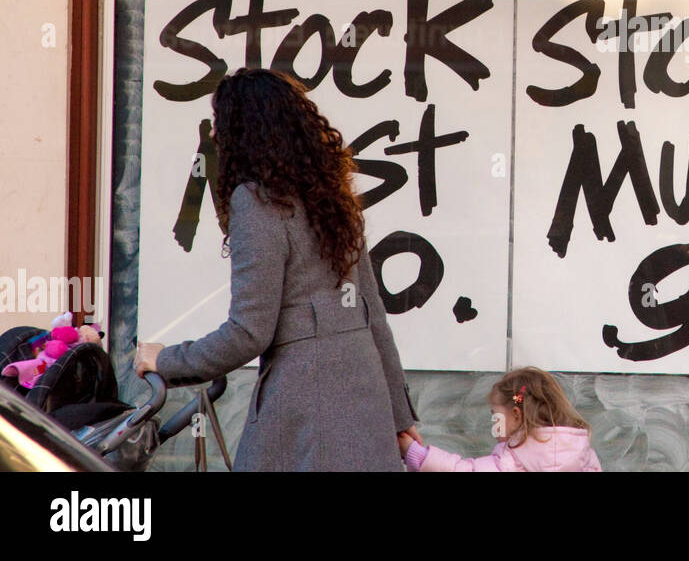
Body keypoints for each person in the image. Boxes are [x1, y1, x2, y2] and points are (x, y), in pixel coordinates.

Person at [134, 67, 422, 471]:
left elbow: (249, 331)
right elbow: (372, 316)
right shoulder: (333, 196)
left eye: (221, 123)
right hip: (365, 402)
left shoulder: (257, 202)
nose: (215, 135)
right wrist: (399, 418)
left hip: (304, 408)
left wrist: (165, 360)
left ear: (245, 132)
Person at [401, 366, 601, 472]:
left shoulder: (510, 462)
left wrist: (415, 453)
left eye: (495, 416)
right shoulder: (584, 455)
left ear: (515, 415)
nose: (493, 424)